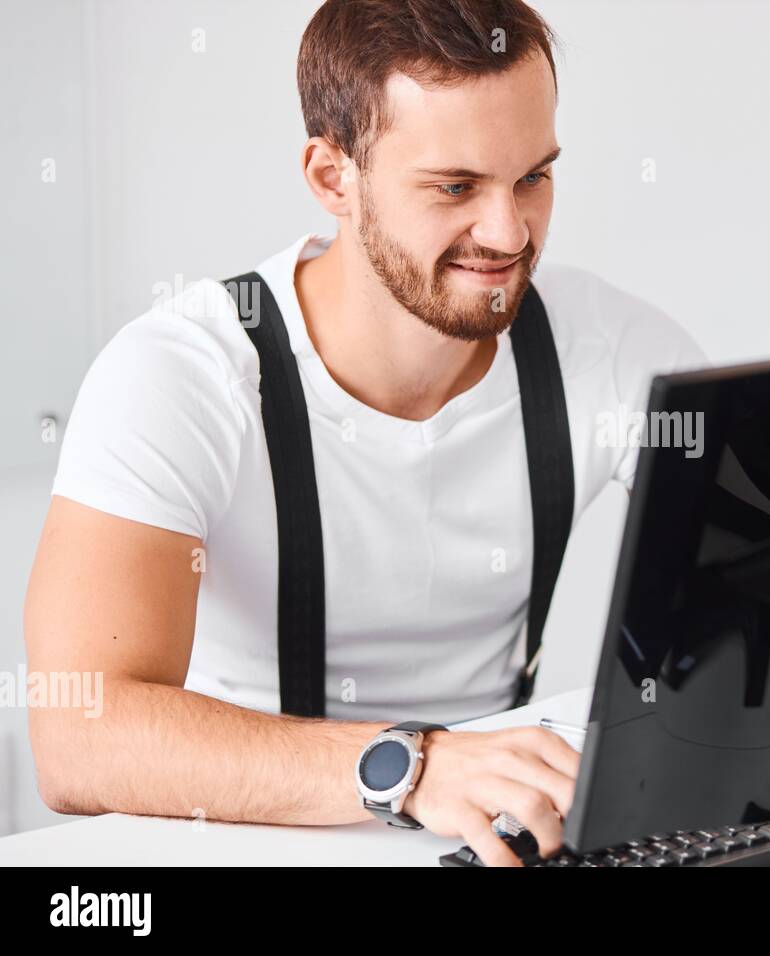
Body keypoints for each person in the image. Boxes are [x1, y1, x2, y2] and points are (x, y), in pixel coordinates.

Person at [24, 0, 704, 867]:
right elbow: (78, 734)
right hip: (237, 842)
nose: (508, 234)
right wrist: (413, 768)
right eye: (455, 187)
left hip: (491, 840)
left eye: (533, 176)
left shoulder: (606, 347)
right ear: (332, 176)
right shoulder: (181, 374)